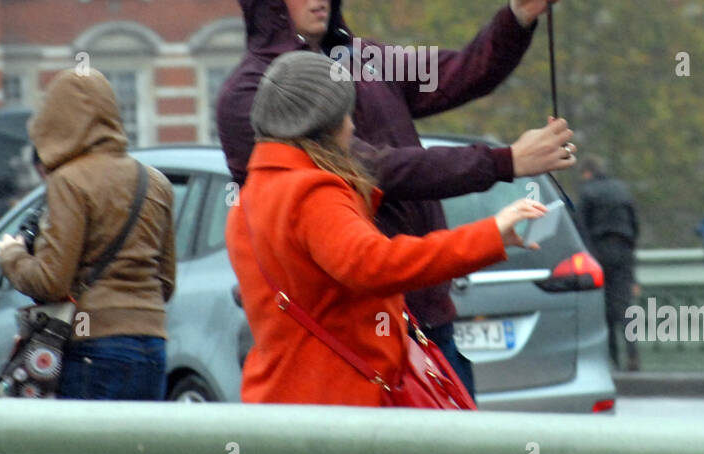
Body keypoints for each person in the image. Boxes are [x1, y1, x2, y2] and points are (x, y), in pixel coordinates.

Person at [216, 0, 576, 399]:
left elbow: (456, 73)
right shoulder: (255, 91)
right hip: (352, 339)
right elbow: (373, 168)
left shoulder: (360, 57)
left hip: (426, 316)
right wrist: (503, 162)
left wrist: (515, 18)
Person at [227, 50, 547, 406]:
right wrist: (490, 235)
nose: (352, 127)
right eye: (345, 116)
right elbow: (376, 264)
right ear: (323, 128)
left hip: (279, 400)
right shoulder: (312, 191)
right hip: (342, 407)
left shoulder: (247, 200)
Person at [0, 69, 175, 401]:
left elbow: (52, 282)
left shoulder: (69, 182)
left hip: (93, 344)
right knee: (140, 451)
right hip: (152, 341)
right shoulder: (156, 182)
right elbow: (165, 282)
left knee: (91, 452)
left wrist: (13, 256)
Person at [577, 158, 640, 371]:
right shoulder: (622, 190)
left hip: (599, 251)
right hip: (623, 249)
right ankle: (633, 353)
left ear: (587, 173)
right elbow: (634, 224)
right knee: (625, 306)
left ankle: (613, 359)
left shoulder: (587, 193)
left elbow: (581, 228)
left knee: (605, 310)